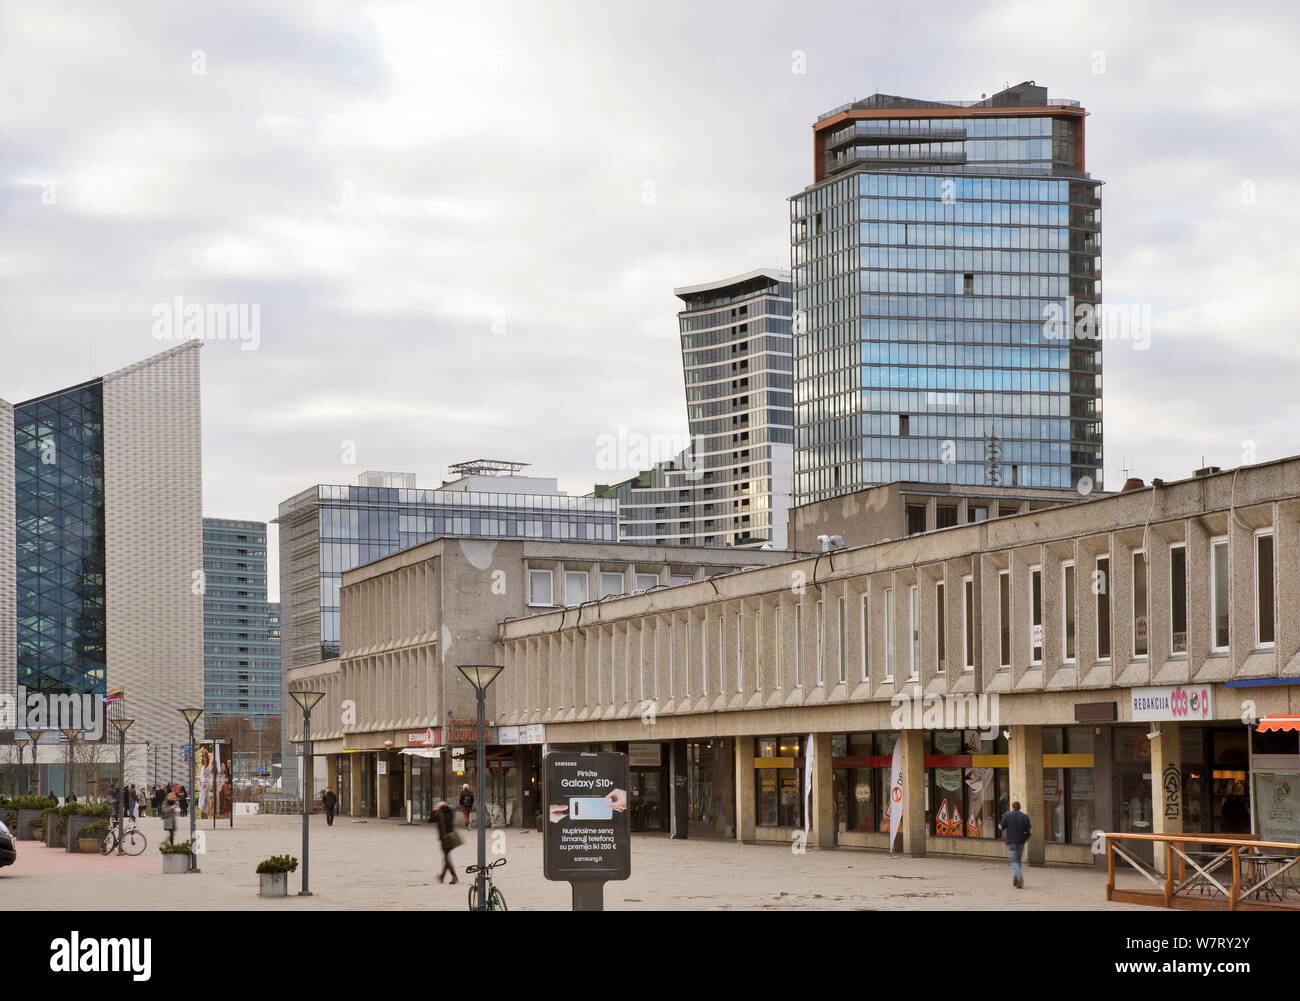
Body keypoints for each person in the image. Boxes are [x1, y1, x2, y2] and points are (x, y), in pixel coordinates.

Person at [998, 800, 1033, 889]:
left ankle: (1020, 878)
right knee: (1018, 861)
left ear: (1012, 807)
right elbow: (1029, 831)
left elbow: (1001, 827)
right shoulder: (1025, 817)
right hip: (1021, 843)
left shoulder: (1007, 815)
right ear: (1019, 807)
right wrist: (1025, 838)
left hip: (1011, 842)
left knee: (1014, 862)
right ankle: (1016, 880)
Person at [432, 800, 459, 884]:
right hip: (451, 838)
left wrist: (435, 810)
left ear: (440, 807)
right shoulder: (450, 813)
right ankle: (442, 876)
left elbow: (430, 819)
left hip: (444, 839)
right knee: (446, 857)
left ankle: (454, 876)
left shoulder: (439, 814)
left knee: (446, 858)